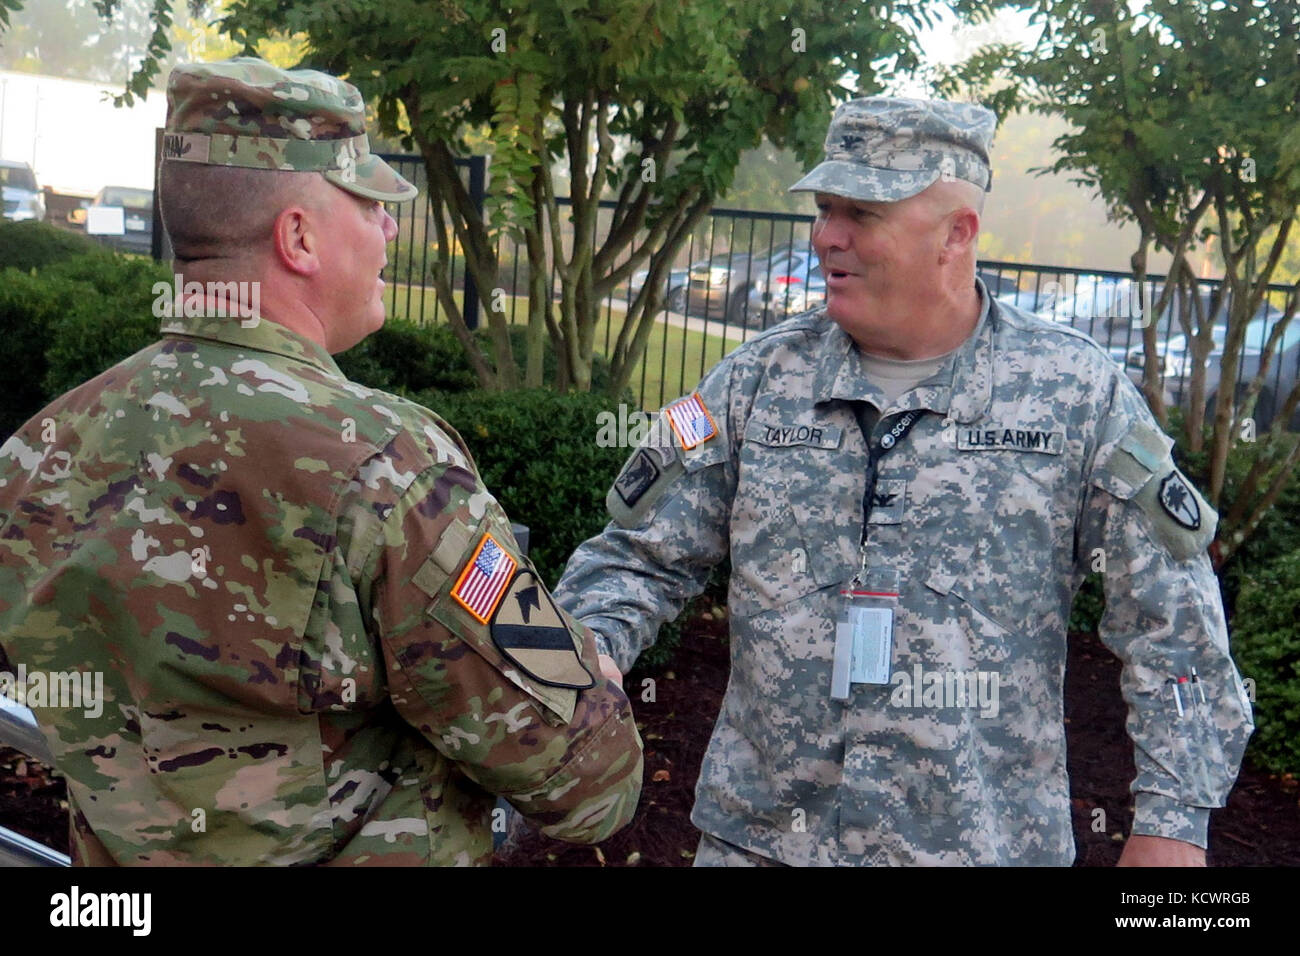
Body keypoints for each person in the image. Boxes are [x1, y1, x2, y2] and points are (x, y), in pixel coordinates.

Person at [553, 97, 1254, 866]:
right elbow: (635, 557)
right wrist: (587, 653)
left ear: (958, 233)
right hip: (763, 844)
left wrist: (1173, 822)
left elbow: (1173, 624)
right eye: (823, 209)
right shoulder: (756, 383)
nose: (826, 236)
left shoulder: (1074, 395)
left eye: (860, 211)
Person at [0, 57, 642, 866]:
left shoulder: (36, 452)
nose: (391, 228)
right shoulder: (390, 469)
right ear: (298, 236)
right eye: (372, 203)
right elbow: (589, 783)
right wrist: (602, 689)